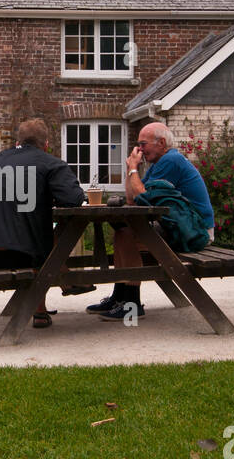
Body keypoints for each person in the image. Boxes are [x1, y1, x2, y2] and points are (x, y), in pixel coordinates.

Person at [0, 119, 86, 328]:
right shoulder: (51, 163)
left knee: (39, 236)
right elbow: (74, 199)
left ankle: (47, 302)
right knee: (44, 244)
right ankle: (64, 281)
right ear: (46, 144)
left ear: (18, 142)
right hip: (19, 254)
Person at [85, 121, 214, 320]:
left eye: (143, 144)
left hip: (196, 232)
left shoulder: (171, 161)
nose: (139, 149)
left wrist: (134, 169)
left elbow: (141, 198)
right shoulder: (158, 164)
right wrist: (131, 169)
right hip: (180, 227)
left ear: (161, 142)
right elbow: (132, 198)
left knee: (129, 234)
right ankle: (120, 297)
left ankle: (132, 305)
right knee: (122, 232)